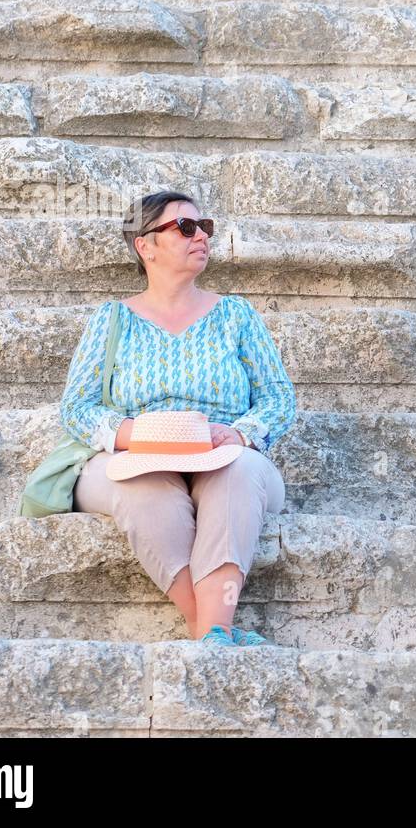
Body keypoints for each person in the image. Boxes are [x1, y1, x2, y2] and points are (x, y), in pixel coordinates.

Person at [60, 190, 297, 647]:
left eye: (204, 227)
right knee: (143, 489)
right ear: (144, 245)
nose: (200, 236)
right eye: (185, 228)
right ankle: (211, 628)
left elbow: (278, 398)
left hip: (222, 450)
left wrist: (240, 434)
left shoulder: (236, 315)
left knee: (238, 474)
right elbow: (76, 407)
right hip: (137, 453)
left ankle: (212, 628)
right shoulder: (112, 320)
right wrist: (141, 435)